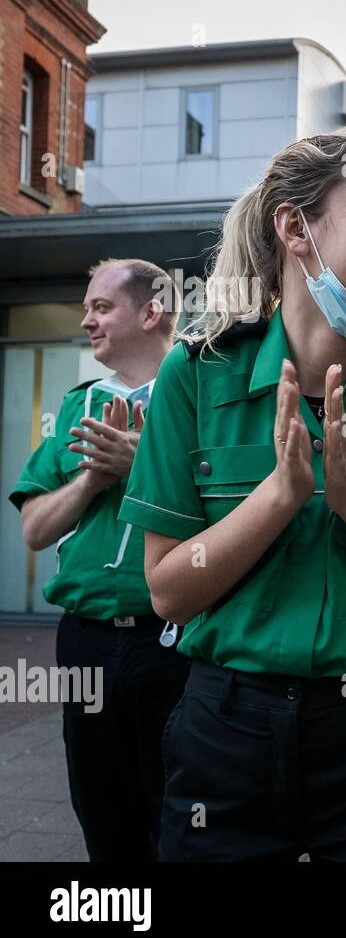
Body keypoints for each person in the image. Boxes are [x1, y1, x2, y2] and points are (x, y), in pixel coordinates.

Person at [117, 128, 346, 860]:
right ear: (294, 227)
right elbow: (167, 591)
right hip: (228, 738)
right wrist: (279, 498)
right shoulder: (197, 375)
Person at [9, 259, 188, 861]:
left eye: (101, 307)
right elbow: (34, 530)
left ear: (151, 311)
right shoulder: (75, 408)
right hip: (85, 643)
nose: (87, 320)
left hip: (174, 643)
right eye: (87, 307)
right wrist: (90, 480)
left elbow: (236, 508)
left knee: (180, 807)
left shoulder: (201, 402)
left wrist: (143, 459)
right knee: (100, 803)